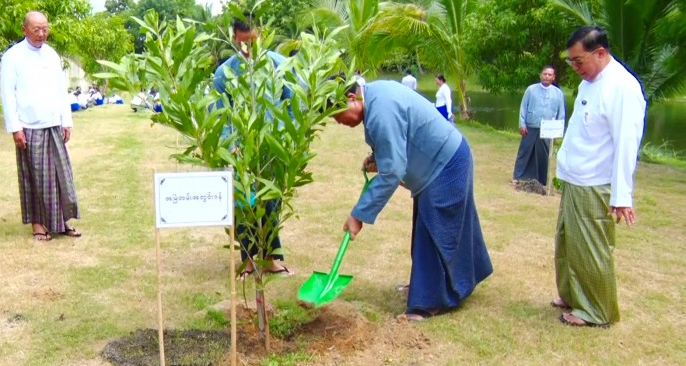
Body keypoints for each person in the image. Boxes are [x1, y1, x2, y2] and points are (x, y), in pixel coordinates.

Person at [332, 80, 493, 321]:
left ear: (351, 98)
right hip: (441, 162)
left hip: (445, 164)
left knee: (435, 231)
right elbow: (400, 136)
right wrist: (378, 157)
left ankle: (428, 302)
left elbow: (393, 172)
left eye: (338, 115)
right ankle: (424, 287)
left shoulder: (380, 108)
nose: (339, 122)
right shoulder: (375, 96)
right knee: (425, 228)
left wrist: (358, 215)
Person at [552, 26, 645, 328]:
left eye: (579, 61)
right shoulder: (589, 83)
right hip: (575, 178)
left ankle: (597, 311)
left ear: (601, 53)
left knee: (591, 249)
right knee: (568, 244)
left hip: (595, 183)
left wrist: (621, 196)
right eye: (571, 62)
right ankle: (572, 295)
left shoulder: (622, 87)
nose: (575, 68)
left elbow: (626, 145)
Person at [214, 16, 295, 280]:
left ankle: (271, 258)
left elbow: (293, 106)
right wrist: (229, 144)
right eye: (242, 44)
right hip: (241, 149)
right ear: (234, 38)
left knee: (271, 201)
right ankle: (248, 260)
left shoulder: (279, 65)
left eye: (253, 42)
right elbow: (221, 115)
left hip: (273, 147)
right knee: (244, 203)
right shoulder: (224, 73)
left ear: (261, 35)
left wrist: (286, 137)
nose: (248, 50)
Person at [0, 11, 80, 241]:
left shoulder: (52, 55)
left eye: (45, 29)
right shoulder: (12, 56)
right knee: (35, 176)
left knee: (60, 174)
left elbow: (60, 90)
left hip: (54, 123)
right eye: (36, 29)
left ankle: (61, 220)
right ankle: (38, 224)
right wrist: (15, 128)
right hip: (29, 126)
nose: (41, 34)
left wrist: (66, 120)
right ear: (24, 29)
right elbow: (7, 95)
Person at [512, 65, 566, 186]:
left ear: (553, 77)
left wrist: (558, 131)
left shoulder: (558, 93)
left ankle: (543, 179)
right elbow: (523, 107)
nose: (547, 76)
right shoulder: (531, 90)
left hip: (548, 129)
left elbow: (561, 113)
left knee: (545, 154)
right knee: (524, 152)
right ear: (540, 75)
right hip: (530, 126)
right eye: (545, 74)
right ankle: (517, 176)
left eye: (549, 75)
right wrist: (522, 124)